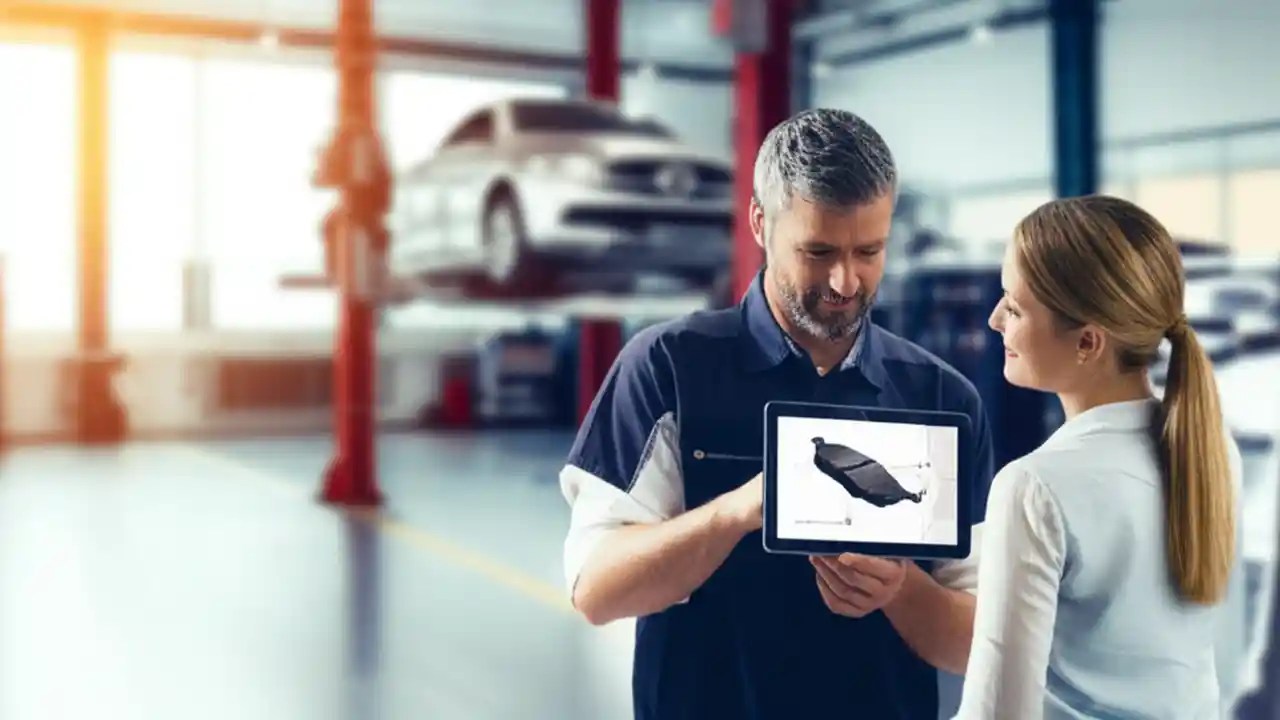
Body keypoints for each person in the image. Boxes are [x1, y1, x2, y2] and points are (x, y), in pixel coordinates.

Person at [558, 108, 996, 720]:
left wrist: (899, 590)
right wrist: (741, 510)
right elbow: (596, 589)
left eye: (869, 251)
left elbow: (977, 638)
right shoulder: (667, 370)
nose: (845, 280)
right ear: (760, 223)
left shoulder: (941, 400)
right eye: (818, 251)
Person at [954, 195, 1244, 719]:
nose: (995, 319)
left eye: (1015, 307)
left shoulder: (1034, 485)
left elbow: (996, 713)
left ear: (1088, 342)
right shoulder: (1212, 451)